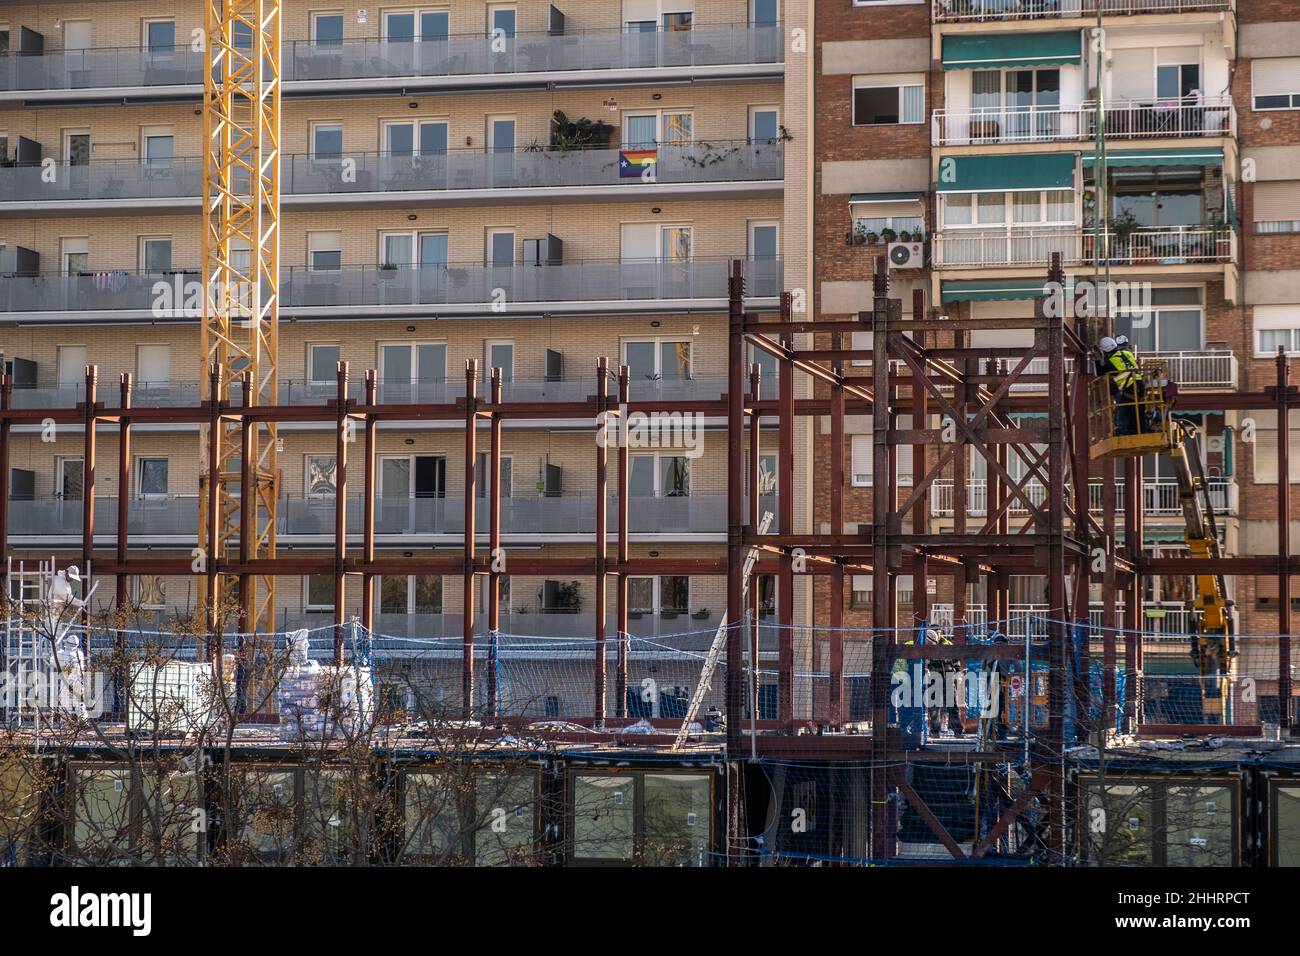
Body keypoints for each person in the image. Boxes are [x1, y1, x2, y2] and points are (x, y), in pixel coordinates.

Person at [1098, 335, 1143, 436]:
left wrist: (1096, 360)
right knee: (1137, 410)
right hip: (1139, 383)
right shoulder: (1127, 353)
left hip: (1128, 387)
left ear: (1106, 351)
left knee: (1123, 410)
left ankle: (1123, 431)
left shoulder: (1112, 361)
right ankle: (1139, 430)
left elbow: (1100, 372)